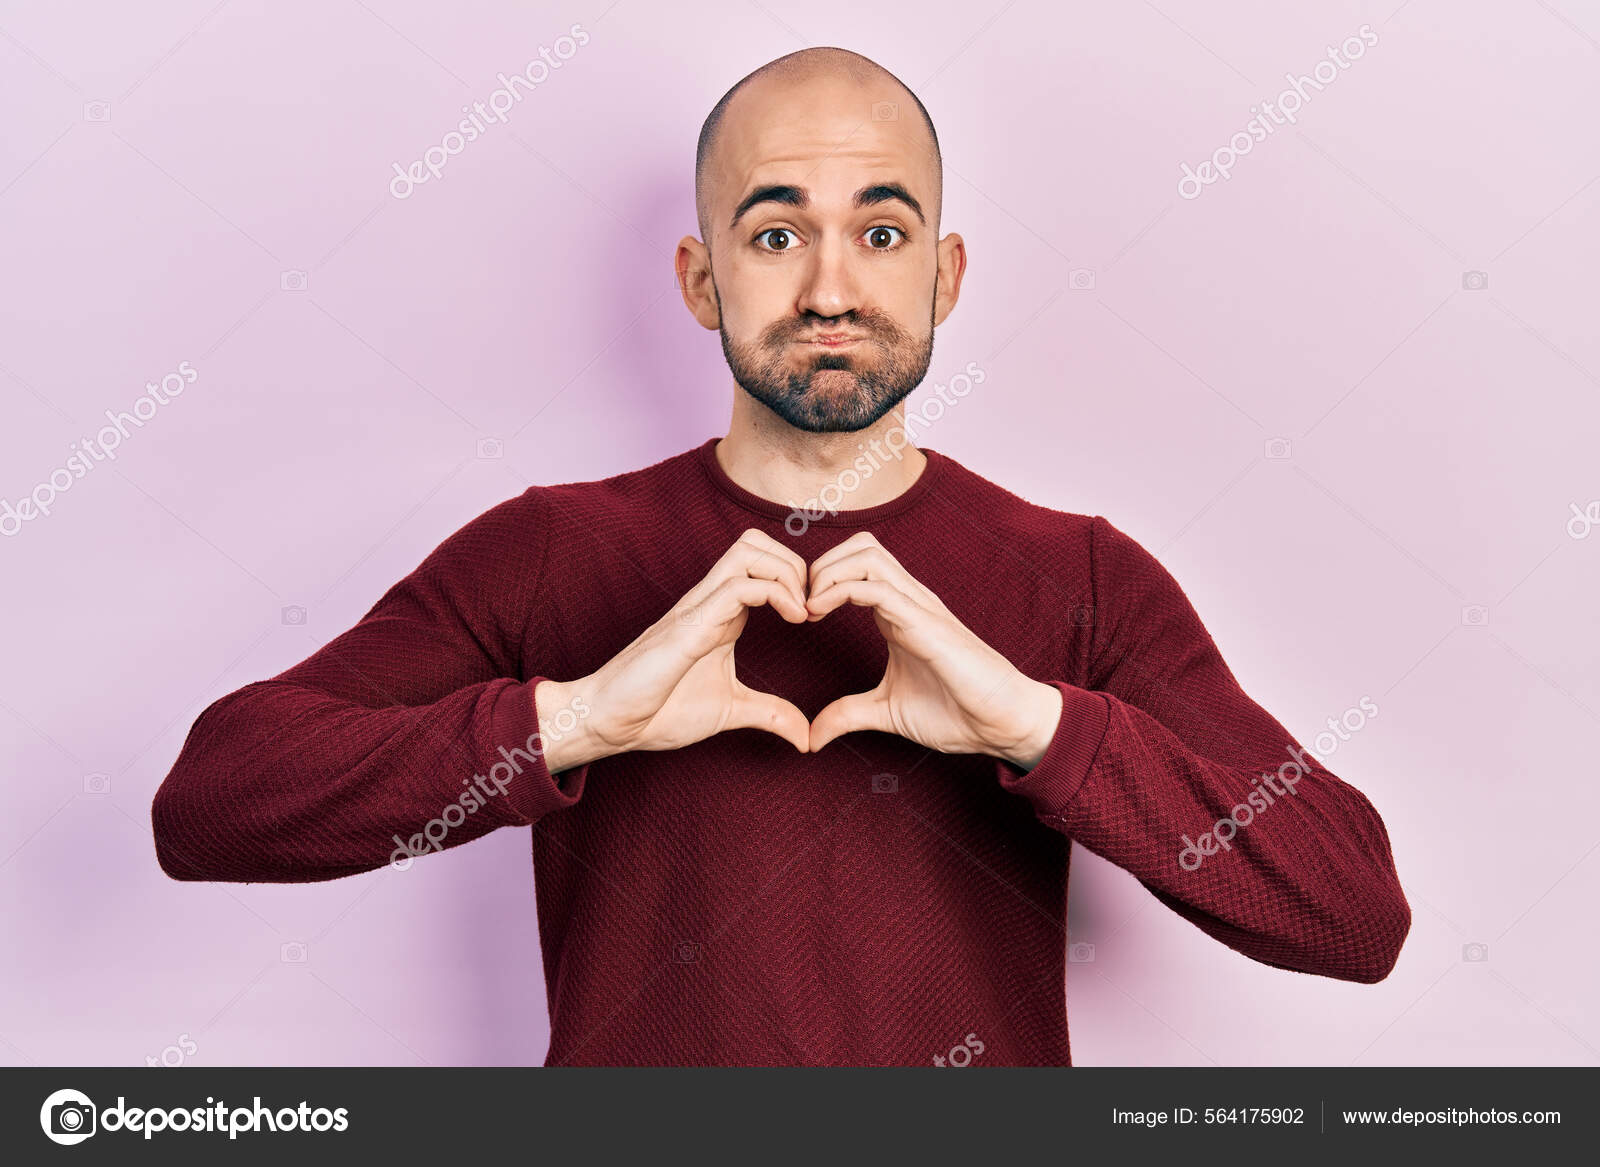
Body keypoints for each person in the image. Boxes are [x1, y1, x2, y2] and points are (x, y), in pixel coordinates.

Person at [152, 46, 1410, 1066]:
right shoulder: (551, 552)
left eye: (881, 234)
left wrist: (1035, 725)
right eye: (773, 237)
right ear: (701, 282)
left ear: (946, 276)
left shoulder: (1078, 580)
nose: (828, 291)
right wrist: (576, 721)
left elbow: (1351, 916)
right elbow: (211, 807)